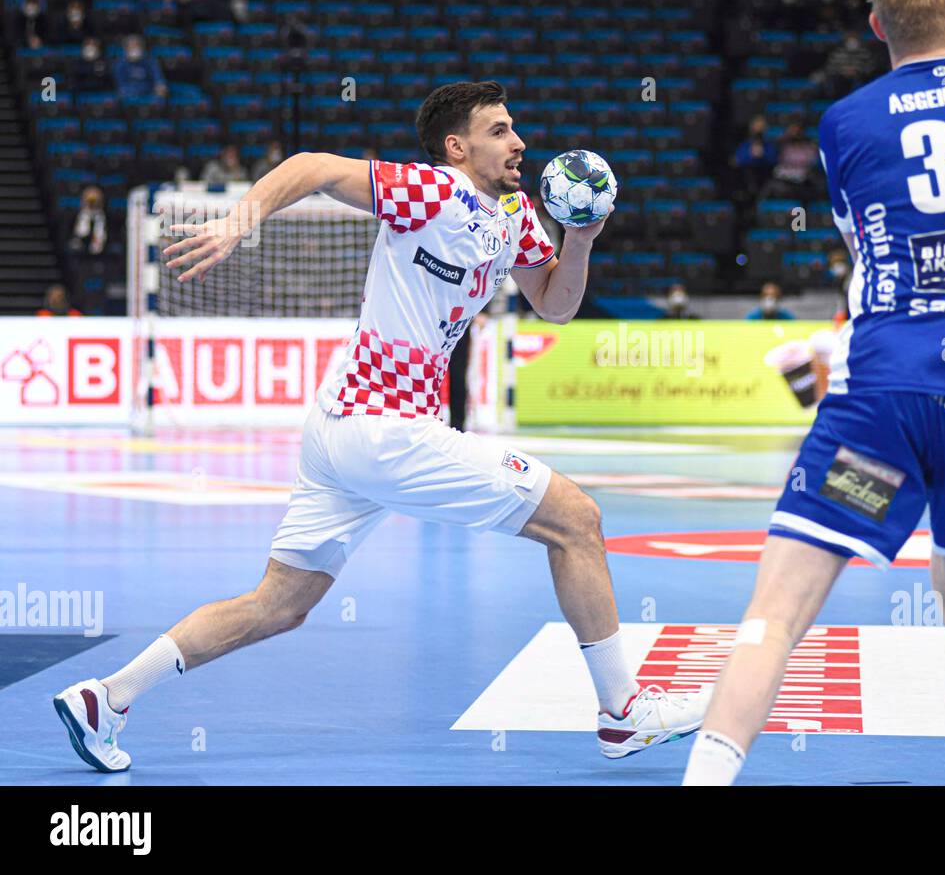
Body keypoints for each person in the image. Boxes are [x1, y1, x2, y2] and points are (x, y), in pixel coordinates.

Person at [53, 81, 708, 773]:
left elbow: (555, 304)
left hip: (343, 430)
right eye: (500, 130)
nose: (519, 143)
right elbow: (312, 165)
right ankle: (623, 714)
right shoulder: (430, 191)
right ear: (458, 147)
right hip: (385, 430)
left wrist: (579, 238)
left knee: (279, 604)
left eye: (516, 129)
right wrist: (238, 222)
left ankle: (107, 697)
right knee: (575, 520)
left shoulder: (517, 214)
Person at [683, 0, 945, 786]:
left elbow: (866, 242)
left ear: (875, 25)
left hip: (879, 407)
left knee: (775, 616)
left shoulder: (846, 122)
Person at [113, 34, 167, 100]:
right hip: (128, 93)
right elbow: (120, 84)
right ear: (126, 49)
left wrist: (160, 85)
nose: (134, 49)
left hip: (148, 91)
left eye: (136, 46)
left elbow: (157, 76)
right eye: (132, 46)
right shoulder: (120, 63)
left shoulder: (149, 60)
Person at [68, 186, 108, 255]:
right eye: (89, 201)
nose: (92, 204)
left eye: (95, 201)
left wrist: (98, 240)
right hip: (80, 250)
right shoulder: (75, 217)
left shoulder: (104, 218)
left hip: (101, 250)